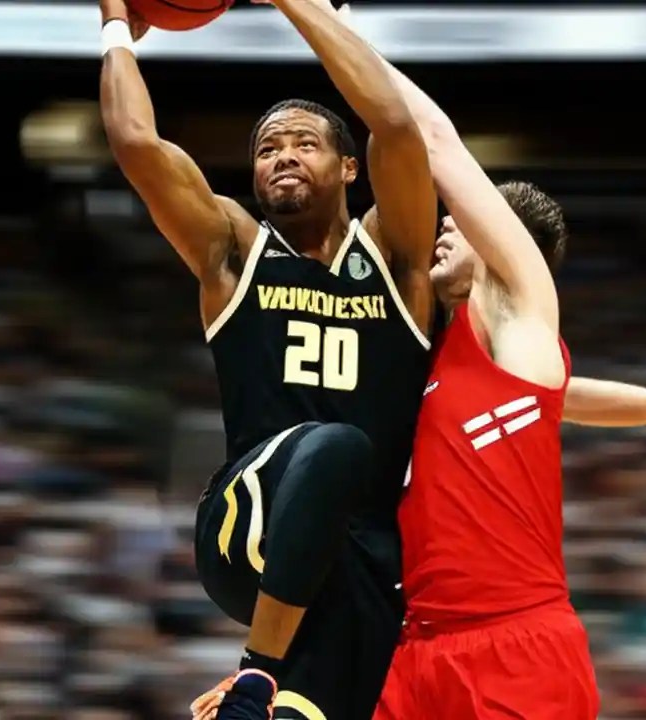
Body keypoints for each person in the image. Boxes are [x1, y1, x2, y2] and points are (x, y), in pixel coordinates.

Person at [331, 9, 646, 719]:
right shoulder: (462, 360)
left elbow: (429, 136)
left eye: (460, 224)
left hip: (515, 652)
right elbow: (559, 397)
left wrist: (328, 24)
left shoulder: (520, 307)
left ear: (500, 242)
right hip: (414, 653)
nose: (444, 230)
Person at [98, 0, 439, 717]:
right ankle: (254, 674)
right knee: (337, 445)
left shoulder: (397, 259)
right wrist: (115, 26)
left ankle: (259, 700)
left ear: (349, 167)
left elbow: (397, 126)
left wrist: (298, 4)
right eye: (266, 148)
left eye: (305, 143)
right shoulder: (234, 249)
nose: (282, 155)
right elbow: (135, 142)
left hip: (356, 553)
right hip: (244, 525)